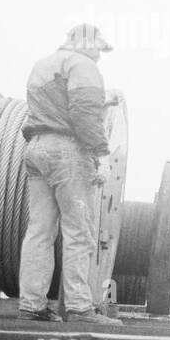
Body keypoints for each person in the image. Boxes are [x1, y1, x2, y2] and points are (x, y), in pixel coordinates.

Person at [17, 24, 119, 324]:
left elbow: (56, 106)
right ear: (85, 43)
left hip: (36, 149)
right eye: (99, 47)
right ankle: (79, 308)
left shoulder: (42, 65)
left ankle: (31, 306)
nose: (100, 55)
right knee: (79, 232)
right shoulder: (83, 65)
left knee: (39, 231)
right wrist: (100, 152)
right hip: (66, 153)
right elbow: (83, 113)